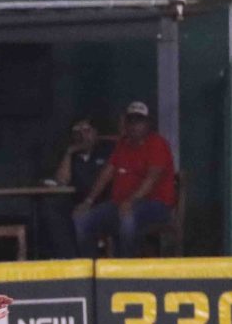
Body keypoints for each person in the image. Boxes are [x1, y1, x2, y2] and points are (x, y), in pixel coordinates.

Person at [73, 101, 177, 258]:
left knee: (127, 218)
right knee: (82, 219)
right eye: (130, 120)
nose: (134, 125)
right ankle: (91, 268)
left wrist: (131, 201)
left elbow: (151, 179)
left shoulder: (157, 144)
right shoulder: (122, 144)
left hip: (155, 205)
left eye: (139, 121)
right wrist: (88, 201)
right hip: (120, 204)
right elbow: (107, 173)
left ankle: (126, 267)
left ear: (148, 123)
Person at [38, 118, 114, 258]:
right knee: (51, 207)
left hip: (103, 201)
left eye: (86, 130)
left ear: (95, 133)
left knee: (82, 216)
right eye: (77, 131)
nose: (82, 135)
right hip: (77, 201)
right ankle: (68, 258)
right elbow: (62, 181)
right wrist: (69, 152)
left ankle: (88, 260)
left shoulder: (107, 151)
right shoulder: (71, 155)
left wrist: (88, 202)